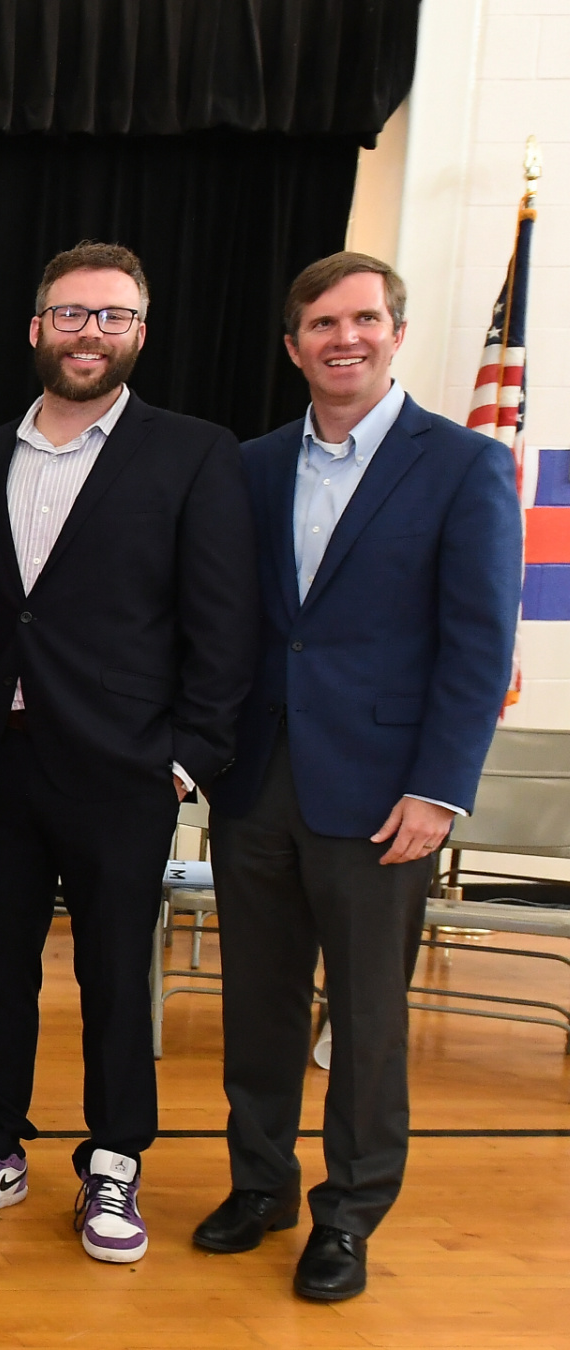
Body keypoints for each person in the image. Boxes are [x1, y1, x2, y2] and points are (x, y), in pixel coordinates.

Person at [197, 253, 520, 1301]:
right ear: (294, 346)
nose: (346, 338)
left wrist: (440, 787)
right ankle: (261, 1186)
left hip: (386, 796)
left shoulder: (463, 465)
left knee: (368, 1017)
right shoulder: (250, 465)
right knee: (259, 1004)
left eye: (365, 319)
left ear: (396, 332)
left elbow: (479, 641)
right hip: (256, 782)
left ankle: (349, 1214)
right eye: (323, 324)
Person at [0, 242, 257, 1263]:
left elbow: (224, 621)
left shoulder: (194, 452)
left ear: (140, 335)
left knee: (117, 975)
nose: (90, 333)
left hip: (123, 768)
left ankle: (115, 1159)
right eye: (71, 313)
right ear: (37, 328)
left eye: (113, 316)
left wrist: (186, 759)